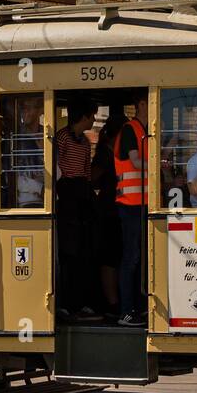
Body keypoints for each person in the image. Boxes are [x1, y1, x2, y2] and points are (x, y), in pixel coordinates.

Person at [55, 99, 97, 318]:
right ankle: (67, 302)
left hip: (80, 192)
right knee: (69, 251)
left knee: (83, 250)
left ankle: (80, 301)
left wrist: (88, 192)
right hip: (67, 192)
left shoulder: (85, 142)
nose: (94, 120)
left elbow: (86, 170)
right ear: (84, 117)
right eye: (92, 116)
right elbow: (58, 167)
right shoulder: (63, 138)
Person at [115, 97, 148, 326]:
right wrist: (159, 162)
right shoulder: (130, 130)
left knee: (142, 257)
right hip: (129, 205)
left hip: (143, 204)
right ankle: (126, 312)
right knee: (131, 258)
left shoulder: (145, 130)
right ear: (142, 104)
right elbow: (136, 162)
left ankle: (139, 306)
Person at [91, 110, 124, 319]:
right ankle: (112, 304)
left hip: (118, 208)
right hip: (109, 210)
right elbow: (93, 177)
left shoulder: (113, 151)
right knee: (110, 258)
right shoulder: (106, 153)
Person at [4, 96, 44, 207]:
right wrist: (39, 188)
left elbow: (57, 170)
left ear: (41, 110)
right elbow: (9, 176)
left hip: (49, 200)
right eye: (22, 108)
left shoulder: (46, 135)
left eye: (28, 108)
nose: (24, 112)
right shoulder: (15, 137)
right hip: (24, 203)